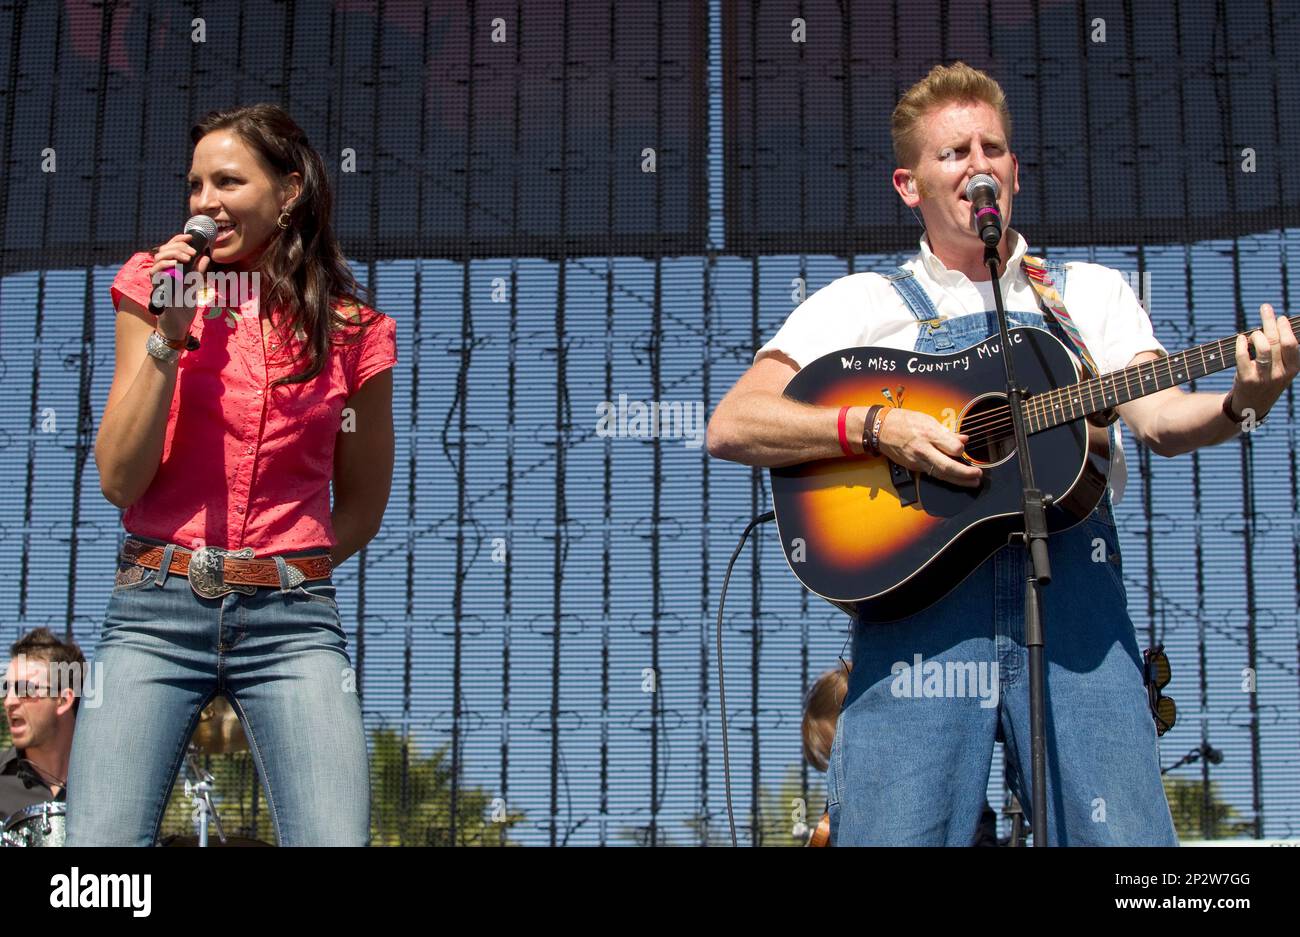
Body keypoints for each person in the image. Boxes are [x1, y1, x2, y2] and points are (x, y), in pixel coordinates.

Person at [708, 63, 1298, 845]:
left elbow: (1159, 419)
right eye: (953, 153)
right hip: (916, 615)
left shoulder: (1088, 295)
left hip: (1075, 602)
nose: (978, 163)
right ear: (909, 185)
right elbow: (735, 422)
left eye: (993, 147)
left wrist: (1242, 402)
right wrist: (877, 429)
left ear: (1014, 170)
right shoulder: (859, 306)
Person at [64, 104, 397, 846]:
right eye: (194, 186)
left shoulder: (354, 331)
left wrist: (285, 569)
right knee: (98, 857)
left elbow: (364, 504)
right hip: (155, 609)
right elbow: (119, 479)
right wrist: (168, 337)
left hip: (293, 624)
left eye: (227, 182)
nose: (205, 203)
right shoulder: (153, 287)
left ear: (288, 193)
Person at [1, 629, 84, 821]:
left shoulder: (110, 783)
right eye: (6, 689)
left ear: (63, 699)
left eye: (24, 689)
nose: (9, 701)